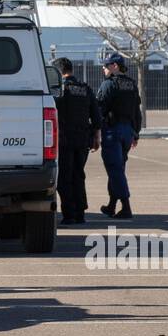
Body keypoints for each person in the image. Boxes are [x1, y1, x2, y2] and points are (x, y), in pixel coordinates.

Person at [53, 57, 100, 225]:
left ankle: (69, 214)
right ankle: (80, 213)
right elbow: (96, 116)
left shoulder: (59, 90)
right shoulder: (85, 88)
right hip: (82, 140)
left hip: (65, 140)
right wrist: (96, 137)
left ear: (58, 72)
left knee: (64, 177)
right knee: (78, 176)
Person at [95, 53, 141, 219]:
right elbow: (137, 111)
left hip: (112, 131)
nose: (104, 68)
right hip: (127, 130)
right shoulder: (131, 84)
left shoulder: (109, 84)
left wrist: (95, 131)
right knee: (118, 169)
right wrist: (136, 133)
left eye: (106, 65)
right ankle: (112, 205)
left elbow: (99, 109)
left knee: (114, 169)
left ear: (115, 66)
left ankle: (126, 207)